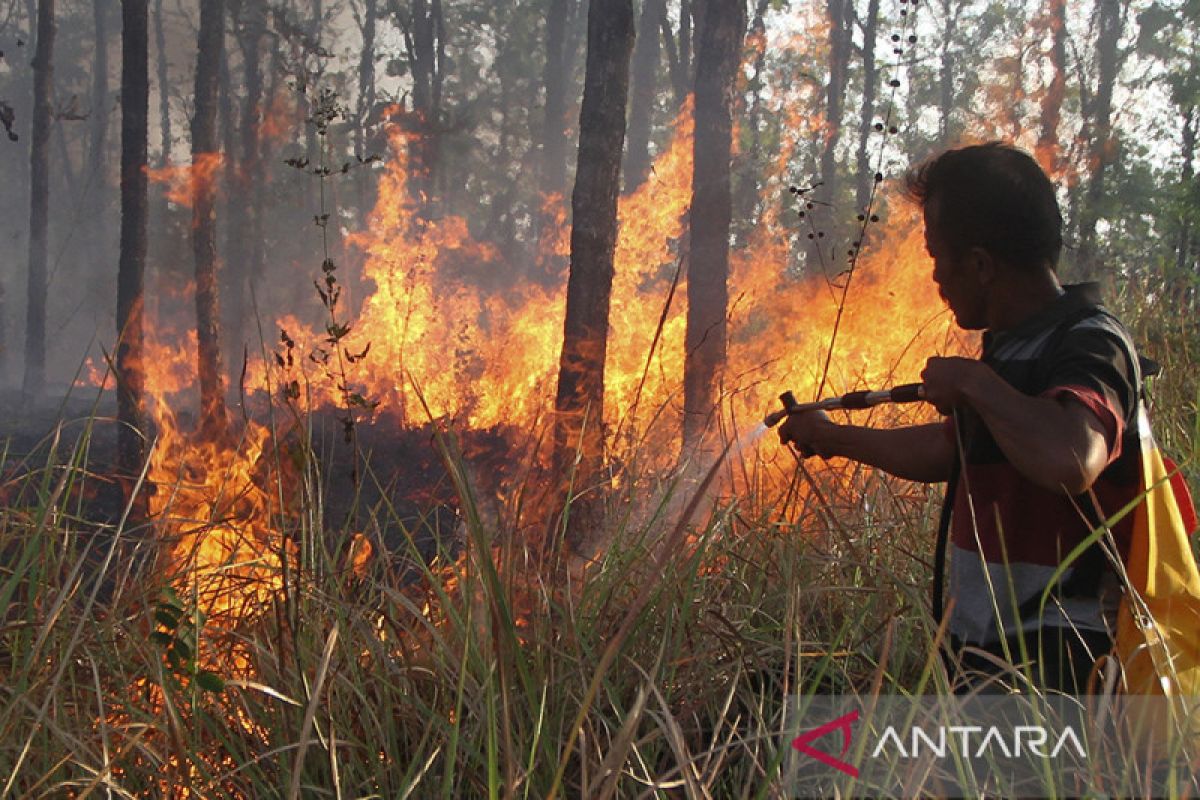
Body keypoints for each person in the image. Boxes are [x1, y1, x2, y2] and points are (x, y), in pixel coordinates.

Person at [778, 142, 1144, 693]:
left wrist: (973, 383)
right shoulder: (1012, 348)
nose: (934, 277)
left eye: (934, 256)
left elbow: (1072, 458)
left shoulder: (1092, 342)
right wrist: (831, 436)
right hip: (986, 650)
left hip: (1065, 660)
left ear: (979, 264)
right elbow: (954, 450)